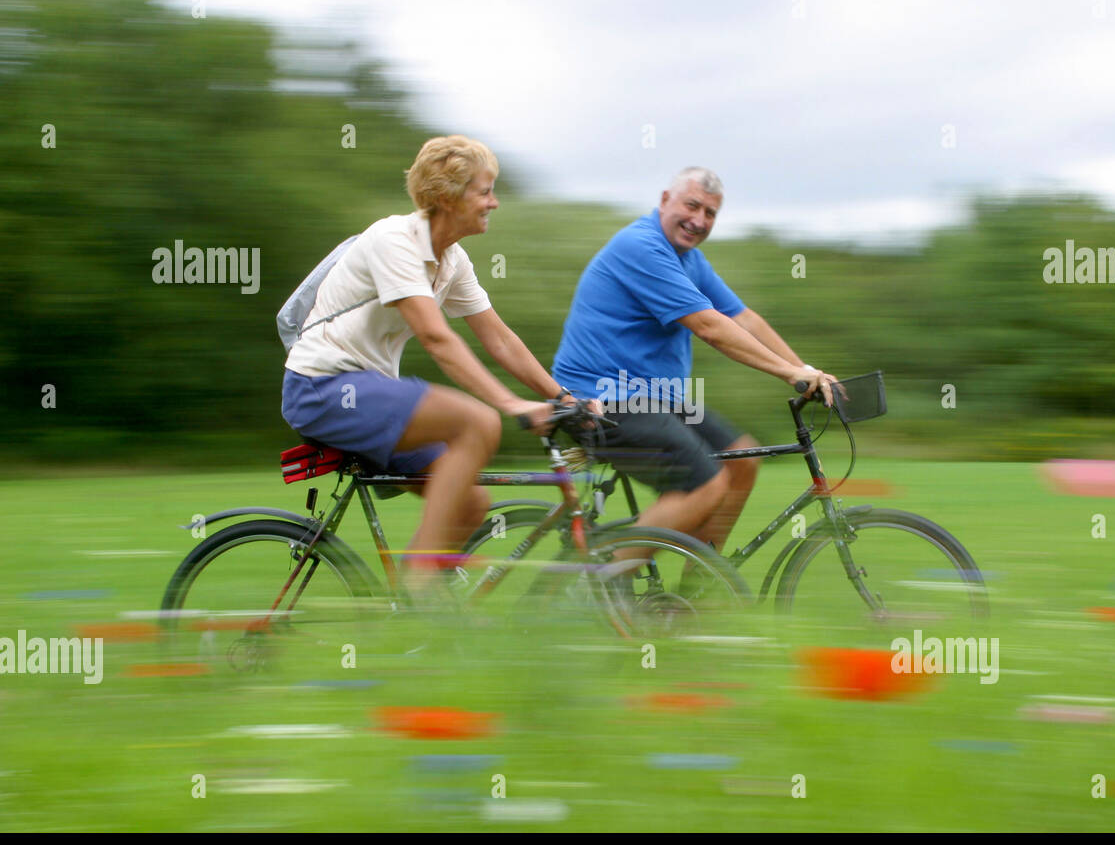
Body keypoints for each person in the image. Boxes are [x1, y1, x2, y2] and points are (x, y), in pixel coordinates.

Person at [281, 135, 573, 594]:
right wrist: (510, 405)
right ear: (446, 197)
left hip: (363, 392)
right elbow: (437, 338)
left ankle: (422, 605)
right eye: (484, 191)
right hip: (322, 389)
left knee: (471, 503)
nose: (494, 203)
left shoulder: (451, 261)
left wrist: (561, 397)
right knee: (478, 423)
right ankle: (420, 580)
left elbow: (498, 338)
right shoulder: (393, 241)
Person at [551, 166, 836, 552]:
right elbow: (709, 326)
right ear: (665, 200)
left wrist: (804, 370)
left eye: (711, 213)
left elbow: (741, 318)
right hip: (602, 400)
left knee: (741, 459)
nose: (699, 220)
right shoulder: (643, 246)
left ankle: (697, 592)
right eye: (692, 205)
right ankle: (601, 582)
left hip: (657, 398)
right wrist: (789, 374)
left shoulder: (690, 260)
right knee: (705, 483)